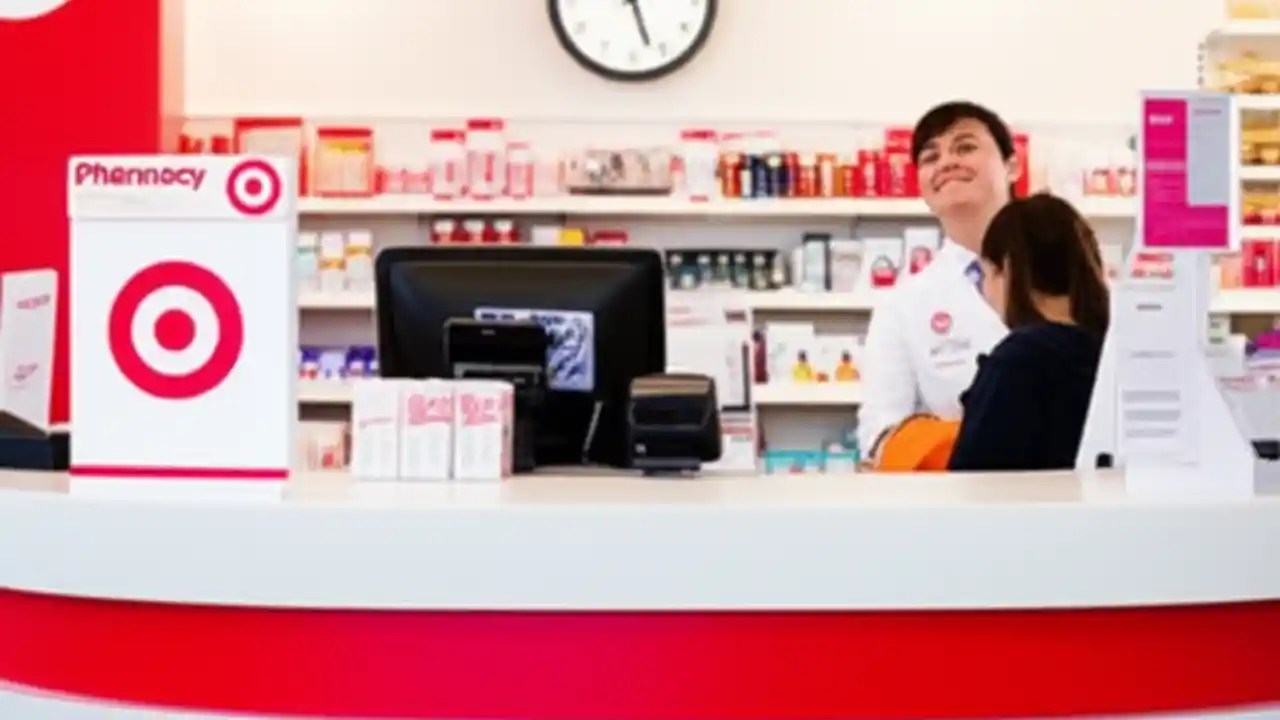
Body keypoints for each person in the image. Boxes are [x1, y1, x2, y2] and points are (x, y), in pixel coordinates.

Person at [858, 101, 1017, 458]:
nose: (947, 163)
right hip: (957, 499)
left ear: (1012, 166)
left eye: (965, 147)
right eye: (930, 157)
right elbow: (879, 432)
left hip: (1067, 497)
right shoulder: (902, 305)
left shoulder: (1069, 271)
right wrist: (970, 446)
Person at [947, 193, 1109, 471]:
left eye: (985, 275)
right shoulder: (1109, 351)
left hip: (1028, 514)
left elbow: (971, 482)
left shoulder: (1018, 360)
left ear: (1004, 270)